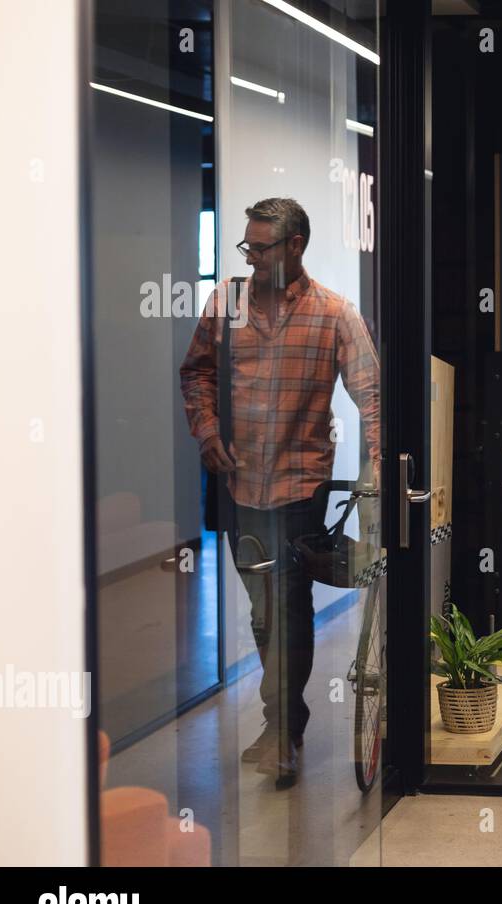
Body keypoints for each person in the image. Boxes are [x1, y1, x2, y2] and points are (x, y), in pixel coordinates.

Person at [180, 197, 381, 788]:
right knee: (262, 611)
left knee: (288, 606)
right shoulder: (226, 304)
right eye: (246, 246)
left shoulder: (334, 314)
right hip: (240, 483)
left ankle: (287, 732)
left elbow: (371, 397)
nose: (250, 257)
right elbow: (195, 371)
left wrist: (376, 471)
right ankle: (280, 723)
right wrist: (207, 430)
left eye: (261, 247)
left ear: (295, 246)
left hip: (300, 486)